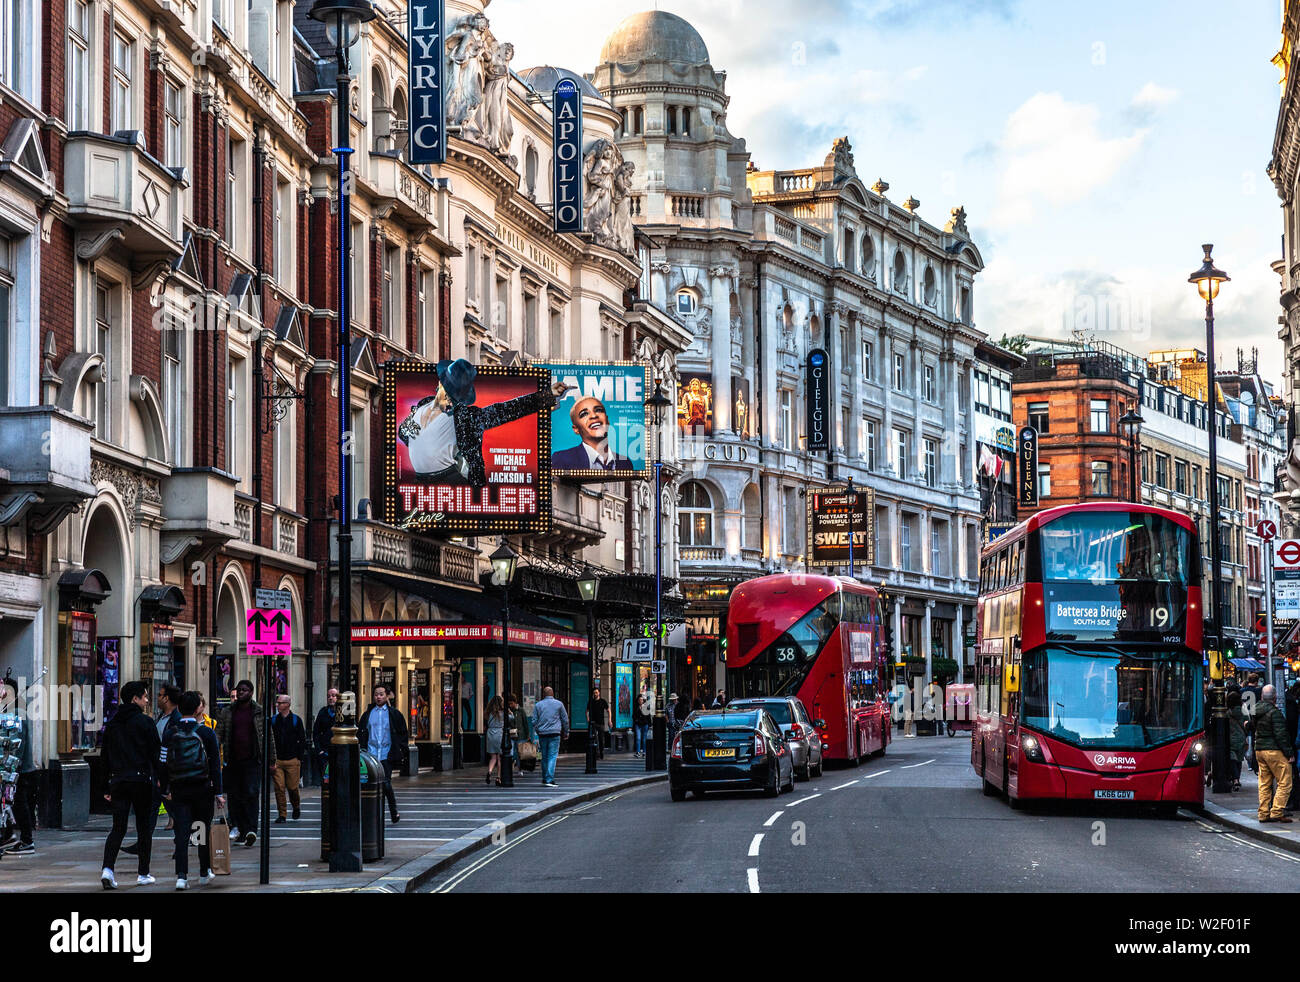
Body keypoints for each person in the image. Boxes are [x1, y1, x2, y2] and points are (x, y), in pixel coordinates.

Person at [397, 358, 569, 488]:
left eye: (455, 395)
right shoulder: (421, 405)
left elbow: (504, 411)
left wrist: (545, 396)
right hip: (418, 484)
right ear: (440, 383)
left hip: (447, 483)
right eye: (447, 390)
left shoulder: (463, 416)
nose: (450, 399)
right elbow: (404, 433)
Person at [159, 691, 223, 890]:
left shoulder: (170, 733)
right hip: (203, 788)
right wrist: (219, 792)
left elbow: (162, 763)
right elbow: (215, 764)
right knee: (201, 829)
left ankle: (181, 875)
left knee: (182, 831)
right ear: (198, 709)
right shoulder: (206, 733)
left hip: (179, 788)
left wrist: (165, 788)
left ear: (179, 708)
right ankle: (204, 871)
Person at [100, 681, 161, 889]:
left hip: (118, 780)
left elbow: (104, 757)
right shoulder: (145, 722)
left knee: (118, 827)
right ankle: (143, 873)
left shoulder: (112, 724)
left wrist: (105, 787)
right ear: (135, 699)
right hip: (141, 780)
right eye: (144, 696)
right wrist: (163, 780)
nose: (146, 700)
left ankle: (107, 869)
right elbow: (156, 754)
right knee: (144, 828)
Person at [216, 680, 274, 847]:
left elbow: (268, 737)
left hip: (252, 760)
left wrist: (271, 760)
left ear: (251, 692)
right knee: (235, 796)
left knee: (251, 793)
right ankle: (239, 828)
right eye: (239, 690)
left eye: (244, 690)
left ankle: (251, 829)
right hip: (233, 760)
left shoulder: (259, 712)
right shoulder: (227, 712)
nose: (241, 693)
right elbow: (219, 733)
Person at [358, 685, 408, 823]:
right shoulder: (368, 714)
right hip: (371, 754)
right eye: (376, 694)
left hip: (386, 754)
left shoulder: (394, 714)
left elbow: (402, 733)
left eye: (381, 694)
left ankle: (393, 811)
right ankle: (372, 814)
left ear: (387, 696)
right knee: (370, 785)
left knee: (386, 783)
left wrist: (401, 750)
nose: (378, 697)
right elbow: (361, 731)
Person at [0, 678, 37, 855]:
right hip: (12, 767)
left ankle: (27, 840)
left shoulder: (16, 712)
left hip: (18, 768)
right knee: (9, 802)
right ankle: (8, 835)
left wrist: (11, 767)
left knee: (18, 803)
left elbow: (17, 743)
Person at [550, 397, 635, 472]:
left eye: (598, 410)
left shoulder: (625, 462)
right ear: (576, 429)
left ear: (607, 421)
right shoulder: (562, 459)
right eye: (584, 414)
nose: (594, 416)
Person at [1253, 684, 1295, 823]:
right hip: (1274, 750)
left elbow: (1250, 726)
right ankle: (1277, 811)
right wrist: (1289, 753)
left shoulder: (1255, 710)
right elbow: (1281, 735)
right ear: (1275, 698)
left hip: (1260, 750)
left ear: (1261, 697)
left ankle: (1263, 813)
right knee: (1285, 781)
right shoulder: (1275, 713)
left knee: (1264, 783)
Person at [270, 695, 307, 823]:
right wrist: (271, 759)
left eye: (280, 703)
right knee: (279, 788)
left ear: (287, 704)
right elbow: (270, 740)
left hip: (292, 760)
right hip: (278, 760)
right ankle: (282, 814)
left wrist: (299, 758)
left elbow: (302, 740)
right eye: (277, 703)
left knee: (292, 788)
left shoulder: (296, 720)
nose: (277, 705)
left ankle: (296, 806)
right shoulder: (274, 720)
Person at [530, 686, 569, 788]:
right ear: (552, 694)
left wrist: (538, 729)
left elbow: (533, 721)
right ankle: (549, 779)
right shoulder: (559, 704)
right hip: (555, 733)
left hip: (542, 734)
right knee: (552, 756)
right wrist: (566, 731)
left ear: (544, 694)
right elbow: (565, 719)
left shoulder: (538, 705)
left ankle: (545, 777)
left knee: (544, 756)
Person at [313, 688, 339, 780]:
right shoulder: (323, 712)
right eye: (328, 696)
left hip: (338, 751)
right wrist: (319, 750)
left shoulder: (343, 713)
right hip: (325, 751)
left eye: (333, 696)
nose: (331, 698)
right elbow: (316, 732)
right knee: (325, 779)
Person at [1227, 689, 1248, 793]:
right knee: (1239, 760)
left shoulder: (1227, 712)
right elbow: (1248, 722)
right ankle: (1237, 779)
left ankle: (1235, 779)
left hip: (1230, 738)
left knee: (1232, 759)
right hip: (1241, 738)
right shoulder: (1244, 710)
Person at [484, 695, 505, 785]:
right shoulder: (503, 713)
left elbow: (485, 722)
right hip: (499, 733)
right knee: (500, 757)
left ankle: (489, 771)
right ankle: (498, 778)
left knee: (493, 757)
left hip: (490, 733)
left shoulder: (488, 713)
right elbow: (511, 719)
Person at [586, 687, 610, 760]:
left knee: (601, 739)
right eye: (594, 693)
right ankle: (597, 754)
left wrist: (610, 720)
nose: (595, 694)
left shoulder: (603, 701)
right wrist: (588, 718)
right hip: (593, 723)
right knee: (595, 739)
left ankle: (602, 752)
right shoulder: (591, 701)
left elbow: (609, 710)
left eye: (596, 692)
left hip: (601, 723)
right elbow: (587, 711)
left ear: (599, 693)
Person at [508, 694, 530, 770]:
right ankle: (514, 762)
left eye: (511, 703)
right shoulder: (509, 711)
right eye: (509, 704)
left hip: (521, 734)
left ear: (515, 702)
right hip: (512, 734)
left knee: (519, 752)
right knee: (512, 752)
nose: (510, 705)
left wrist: (527, 734)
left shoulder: (521, 710)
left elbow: (525, 723)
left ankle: (519, 768)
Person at [634, 682, 652, 758]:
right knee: (638, 738)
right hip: (638, 724)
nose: (640, 701)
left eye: (642, 700)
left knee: (644, 739)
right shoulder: (636, 707)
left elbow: (648, 716)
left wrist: (649, 724)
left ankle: (644, 752)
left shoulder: (646, 707)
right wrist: (636, 720)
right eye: (639, 700)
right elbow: (634, 715)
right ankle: (638, 752)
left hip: (645, 724)